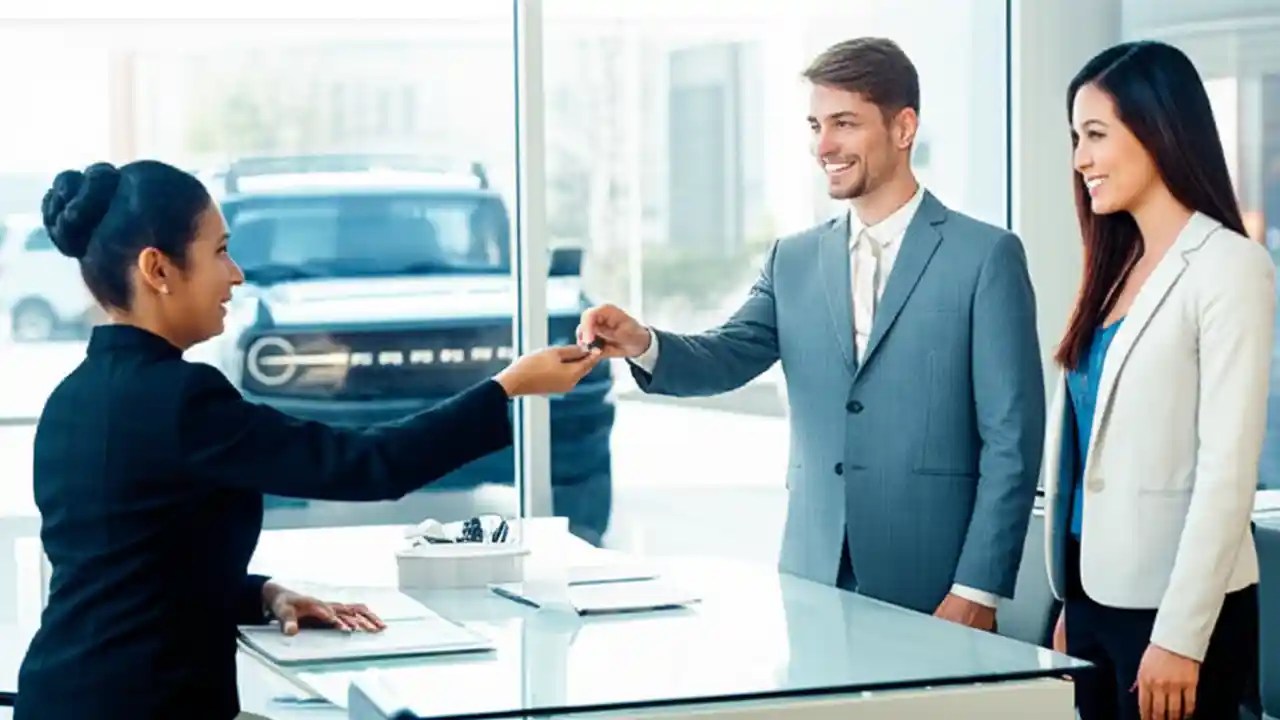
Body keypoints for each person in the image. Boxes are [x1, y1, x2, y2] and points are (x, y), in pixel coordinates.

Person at [14, 160, 602, 720]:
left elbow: (132, 573)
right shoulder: (183, 400)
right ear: (158, 270)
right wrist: (508, 387)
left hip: (63, 695)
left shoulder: (72, 400)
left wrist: (265, 594)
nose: (236, 274)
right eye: (220, 251)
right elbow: (370, 465)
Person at [578, 37, 1044, 628]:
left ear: (904, 129)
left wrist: (978, 588)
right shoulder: (792, 260)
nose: (823, 146)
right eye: (815, 125)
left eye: (844, 123)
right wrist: (643, 341)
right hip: (811, 576)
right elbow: (727, 353)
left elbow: (1013, 437)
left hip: (935, 583)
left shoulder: (985, 256)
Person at [1043, 41, 1271, 720]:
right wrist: (1072, 602)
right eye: (1074, 139)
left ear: (1157, 129)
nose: (1080, 158)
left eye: (1095, 135)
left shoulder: (1229, 266)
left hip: (1179, 619)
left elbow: (1226, 472)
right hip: (1093, 604)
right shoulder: (1111, 269)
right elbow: (1087, 455)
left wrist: (1180, 636)